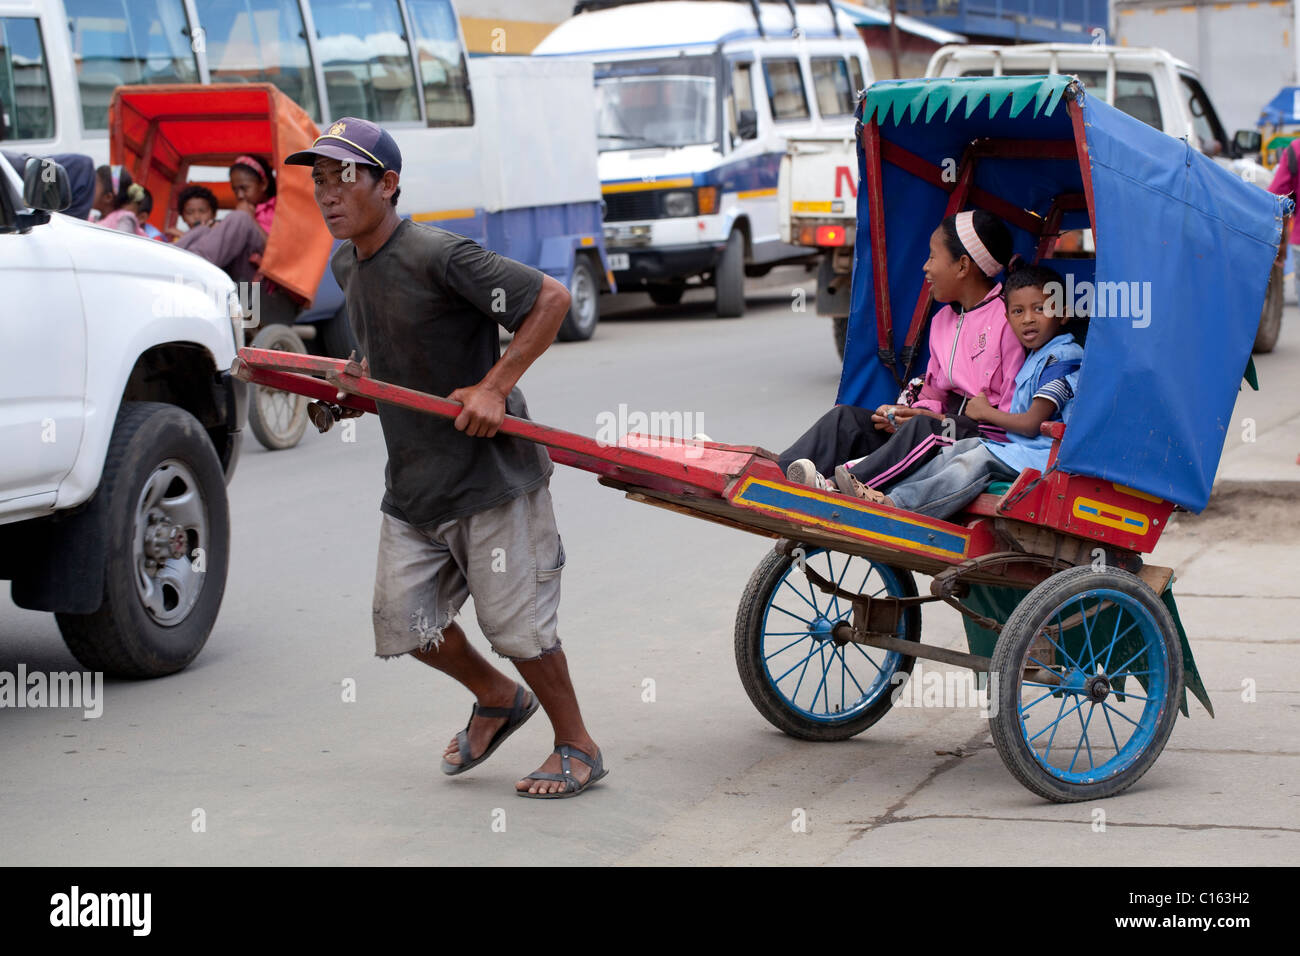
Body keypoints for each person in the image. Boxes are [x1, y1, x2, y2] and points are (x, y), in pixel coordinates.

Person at [285, 118, 606, 798]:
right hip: (415, 485)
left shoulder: (440, 254)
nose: (328, 195)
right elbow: (389, 364)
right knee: (406, 621)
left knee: (518, 629)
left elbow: (547, 300)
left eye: (343, 178)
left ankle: (577, 744)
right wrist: (352, 390)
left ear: (388, 184)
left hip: (491, 479)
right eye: (319, 182)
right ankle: (497, 697)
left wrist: (495, 387)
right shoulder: (348, 265)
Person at [782, 210, 1025, 494]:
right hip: (934, 428)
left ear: (962, 266)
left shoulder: (1009, 320)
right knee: (846, 420)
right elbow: (934, 394)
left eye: (933, 256)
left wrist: (931, 421)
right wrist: (903, 414)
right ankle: (772, 476)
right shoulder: (942, 320)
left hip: (982, 436)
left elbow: (1010, 417)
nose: (926, 267)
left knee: (924, 429)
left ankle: (842, 487)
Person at [842, 264, 1084, 520]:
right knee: (957, 450)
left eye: (1040, 308)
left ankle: (897, 505)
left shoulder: (1063, 358)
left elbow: (1032, 425)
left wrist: (985, 413)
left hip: (1045, 458)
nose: (1028, 319)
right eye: (1017, 311)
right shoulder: (1038, 356)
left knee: (975, 459)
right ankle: (884, 494)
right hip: (1021, 451)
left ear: (1063, 313)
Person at [173, 155, 277, 285]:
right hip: (234, 280)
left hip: (258, 284)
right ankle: (169, 257)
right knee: (203, 229)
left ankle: (194, 265)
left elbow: (278, 256)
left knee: (240, 218)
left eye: (244, 188)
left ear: (263, 184)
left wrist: (249, 218)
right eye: (235, 189)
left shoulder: (278, 209)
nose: (239, 195)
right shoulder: (246, 209)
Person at [93, 165, 148, 235]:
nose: (88, 189)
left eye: (93, 186)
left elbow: (120, 243)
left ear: (108, 197)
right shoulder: (94, 218)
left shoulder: (125, 219)